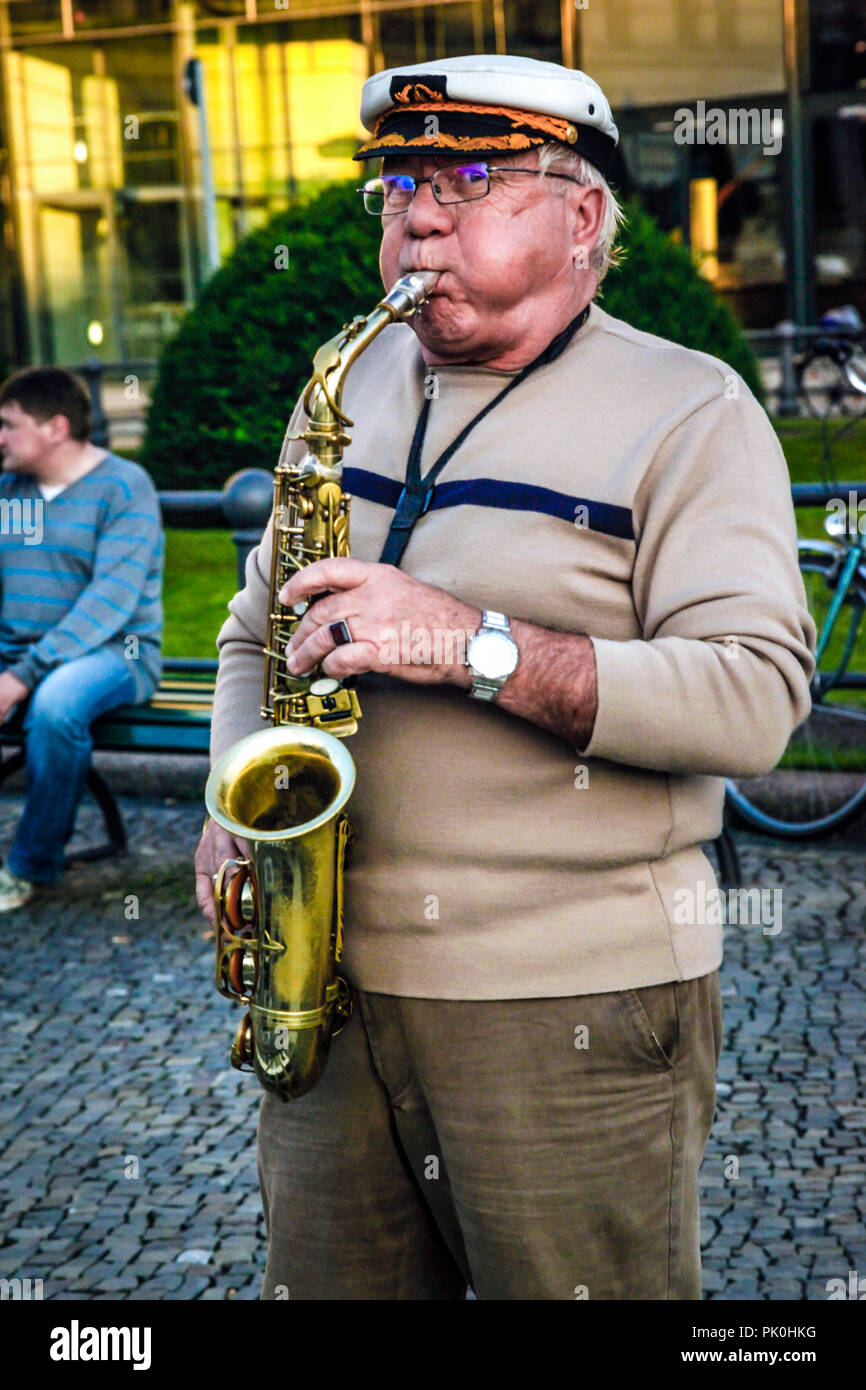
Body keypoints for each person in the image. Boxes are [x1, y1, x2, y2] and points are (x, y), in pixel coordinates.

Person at [194, 54, 815, 1300]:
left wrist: (474, 644)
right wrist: (225, 803)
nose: (417, 213)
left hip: (569, 995)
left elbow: (754, 699)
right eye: (396, 185)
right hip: (329, 985)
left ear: (581, 216)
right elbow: (255, 628)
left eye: (468, 176)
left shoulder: (691, 407)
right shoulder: (349, 375)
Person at [0, 367, 163, 909]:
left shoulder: (123, 488)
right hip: (21, 655)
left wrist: (20, 678)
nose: (0, 438)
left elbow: (110, 604)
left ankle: (31, 864)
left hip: (116, 653)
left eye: (9, 425)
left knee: (56, 705)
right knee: (46, 693)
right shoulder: (15, 492)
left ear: (55, 428)